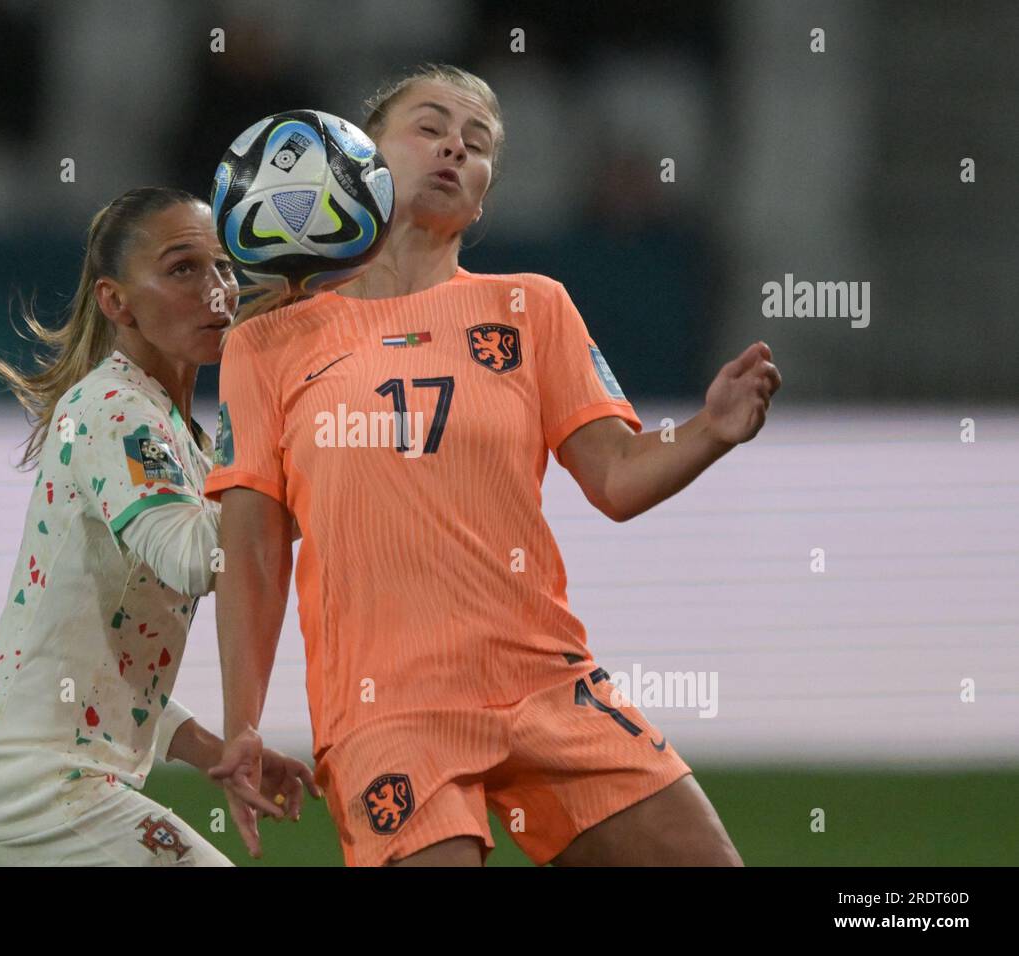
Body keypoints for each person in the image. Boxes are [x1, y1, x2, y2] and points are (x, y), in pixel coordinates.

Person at [206, 65, 780, 867]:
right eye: (430, 127)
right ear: (359, 158)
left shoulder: (531, 306)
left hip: (548, 684)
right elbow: (253, 550)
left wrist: (710, 431)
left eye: (476, 146)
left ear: (481, 198)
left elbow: (615, 477)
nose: (454, 148)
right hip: (389, 711)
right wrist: (243, 724)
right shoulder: (267, 343)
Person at [0, 186, 316, 866]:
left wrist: (213, 750)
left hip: (11, 784)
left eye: (224, 266)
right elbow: (199, 557)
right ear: (116, 301)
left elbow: (91, 666)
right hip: (34, 795)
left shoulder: (176, 435)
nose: (218, 288)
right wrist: (293, 441)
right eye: (182, 269)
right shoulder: (116, 410)